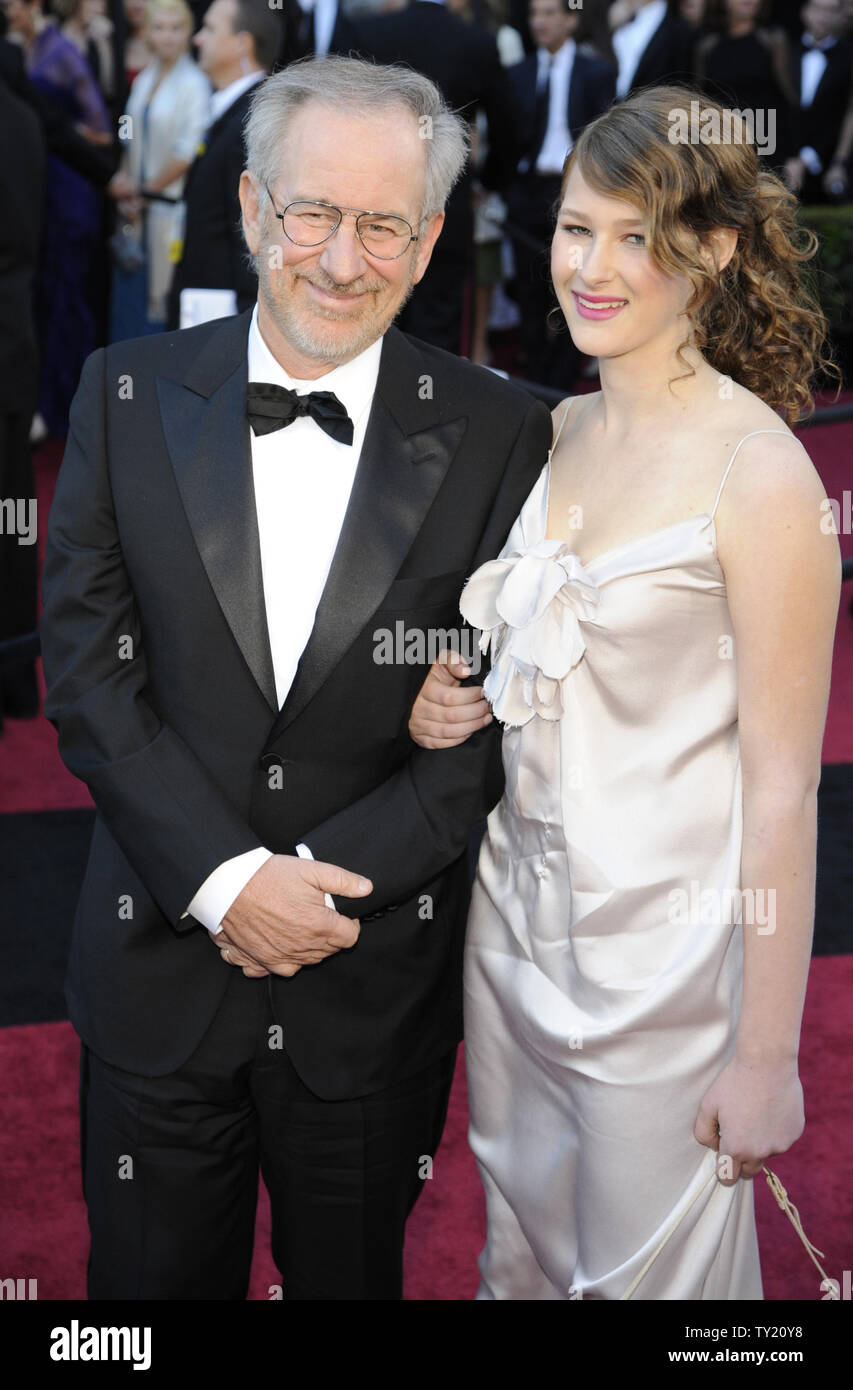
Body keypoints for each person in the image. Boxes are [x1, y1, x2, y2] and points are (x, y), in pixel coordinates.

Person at [39, 54, 552, 1301]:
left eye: (382, 223)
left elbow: (495, 719)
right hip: (158, 962)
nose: (340, 257)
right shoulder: (125, 392)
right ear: (255, 208)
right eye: (313, 212)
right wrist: (227, 884)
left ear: (429, 241)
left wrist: (312, 893)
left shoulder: (502, 431)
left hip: (367, 987)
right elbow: (88, 675)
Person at [407, 84, 841, 1299]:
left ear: (708, 249)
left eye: (634, 237)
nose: (590, 268)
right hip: (512, 936)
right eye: (574, 227)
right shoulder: (552, 434)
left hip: (664, 971)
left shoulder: (761, 476)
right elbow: (539, 674)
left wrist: (765, 1056)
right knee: (520, 1263)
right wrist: (450, 700)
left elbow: (784, 789)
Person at [352, 0, 519, 355]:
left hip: (371, 207)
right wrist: (487, 183)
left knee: (369, 318)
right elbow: (510, 130)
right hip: (446, 207)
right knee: (435, 335)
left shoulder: (369, 32)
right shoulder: (476, 42)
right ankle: (425, 404)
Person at [2, 0, 112, 438]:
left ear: (33, 5)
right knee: (45, 295)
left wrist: (100, 168)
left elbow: (101, 129)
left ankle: (71, 407)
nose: (7, 11)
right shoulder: (17, 52)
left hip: (69, 192)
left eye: (13, 4)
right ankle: (43, 404)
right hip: (37, 187)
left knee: (67, 296)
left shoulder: (61, 50)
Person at [505, 0, 616, 387]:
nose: (541, 22)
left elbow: (605, 139)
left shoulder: (597, 72)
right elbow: (505, 140)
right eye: (535, 13)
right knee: (529, 288)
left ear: (571, 19)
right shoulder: (515, 74)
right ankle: (536, 383)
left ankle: (562, 380)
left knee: (576, 283)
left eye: (551, 13)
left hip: (575, 194)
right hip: (526, 192)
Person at [166, 0, 281, 329]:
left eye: (211, 29)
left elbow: (252, 231)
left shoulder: (251, 121)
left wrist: (243, 329)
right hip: (208, 311)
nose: (198, 38)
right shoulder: (234, 113)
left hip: (223, 321)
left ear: (242, 43)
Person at [107, 0, 210, 339]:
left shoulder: (195, 84)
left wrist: (143, 194)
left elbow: (186, 155)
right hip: (133, 210)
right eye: (160, 27)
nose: (167, 36)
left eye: (176, 27)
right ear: (147, 32)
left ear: (189, 32)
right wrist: (122, 178)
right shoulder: (144, 78)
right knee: (126, 306)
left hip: (165, 213)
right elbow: (127, 130)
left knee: (158, 307)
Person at [783, 0, 852, 202]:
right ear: (805, 12)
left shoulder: (848, 57)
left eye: (831, 10)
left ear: (840, 16)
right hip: (785, 160)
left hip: (829, 163)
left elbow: (841, 115)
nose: (823, 16)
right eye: (818, 8)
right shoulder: (785, 51)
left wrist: (807, 159)